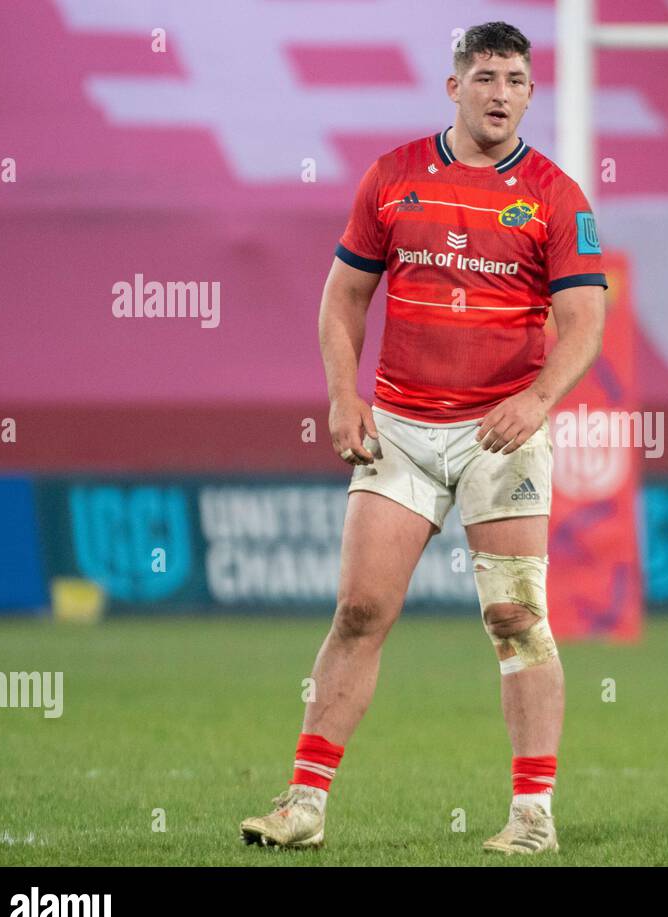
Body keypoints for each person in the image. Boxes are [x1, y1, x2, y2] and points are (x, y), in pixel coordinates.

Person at [239, 20, 606, 855]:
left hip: (500, 437)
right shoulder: (393, 176)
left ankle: (533, 814)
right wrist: (343, 394)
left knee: (516, 615)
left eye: (515, 79)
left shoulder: (554, 193)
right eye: (484, 77)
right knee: (361, 608)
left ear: (530, 93)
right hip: (399, 430)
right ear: (454, 88)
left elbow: (586, 320)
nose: (500, 94)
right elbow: (343, 300)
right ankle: (304, 803)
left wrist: (540, 399)